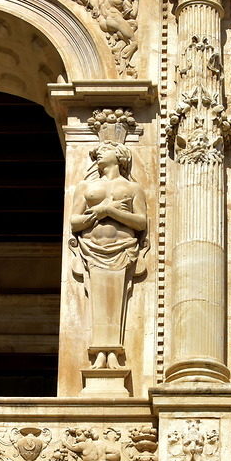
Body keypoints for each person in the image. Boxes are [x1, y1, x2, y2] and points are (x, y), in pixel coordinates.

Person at [69, 141, 147, 368]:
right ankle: (100, 353)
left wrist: (109, 210)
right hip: (92, 249)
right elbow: (74, 221)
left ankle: (113, 352)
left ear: (120, 155)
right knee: (98, 301)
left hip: (122, 249)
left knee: (115, 302)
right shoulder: (85, 186)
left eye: (106, 149)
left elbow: (141, 222)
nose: (98, 152)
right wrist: (98, 214)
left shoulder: (133, 189)